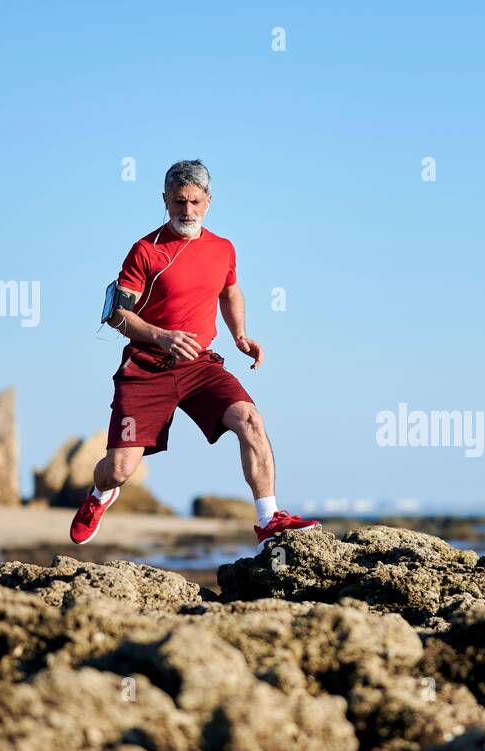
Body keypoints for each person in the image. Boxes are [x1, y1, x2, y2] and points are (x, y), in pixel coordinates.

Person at [70, 159, 319, 550]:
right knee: (119, 470)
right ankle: (99, 496)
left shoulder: (223, 249)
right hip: (146, 367)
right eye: (179, 201)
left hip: (199, 364)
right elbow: (117, 315)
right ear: (165, 199)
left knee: (250, 420)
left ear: (208, 202)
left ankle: (268, 518)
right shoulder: (145, 250)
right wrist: (162, 336)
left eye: (195, 202)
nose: (186, 210)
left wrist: (240, 335)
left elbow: (230, 290)